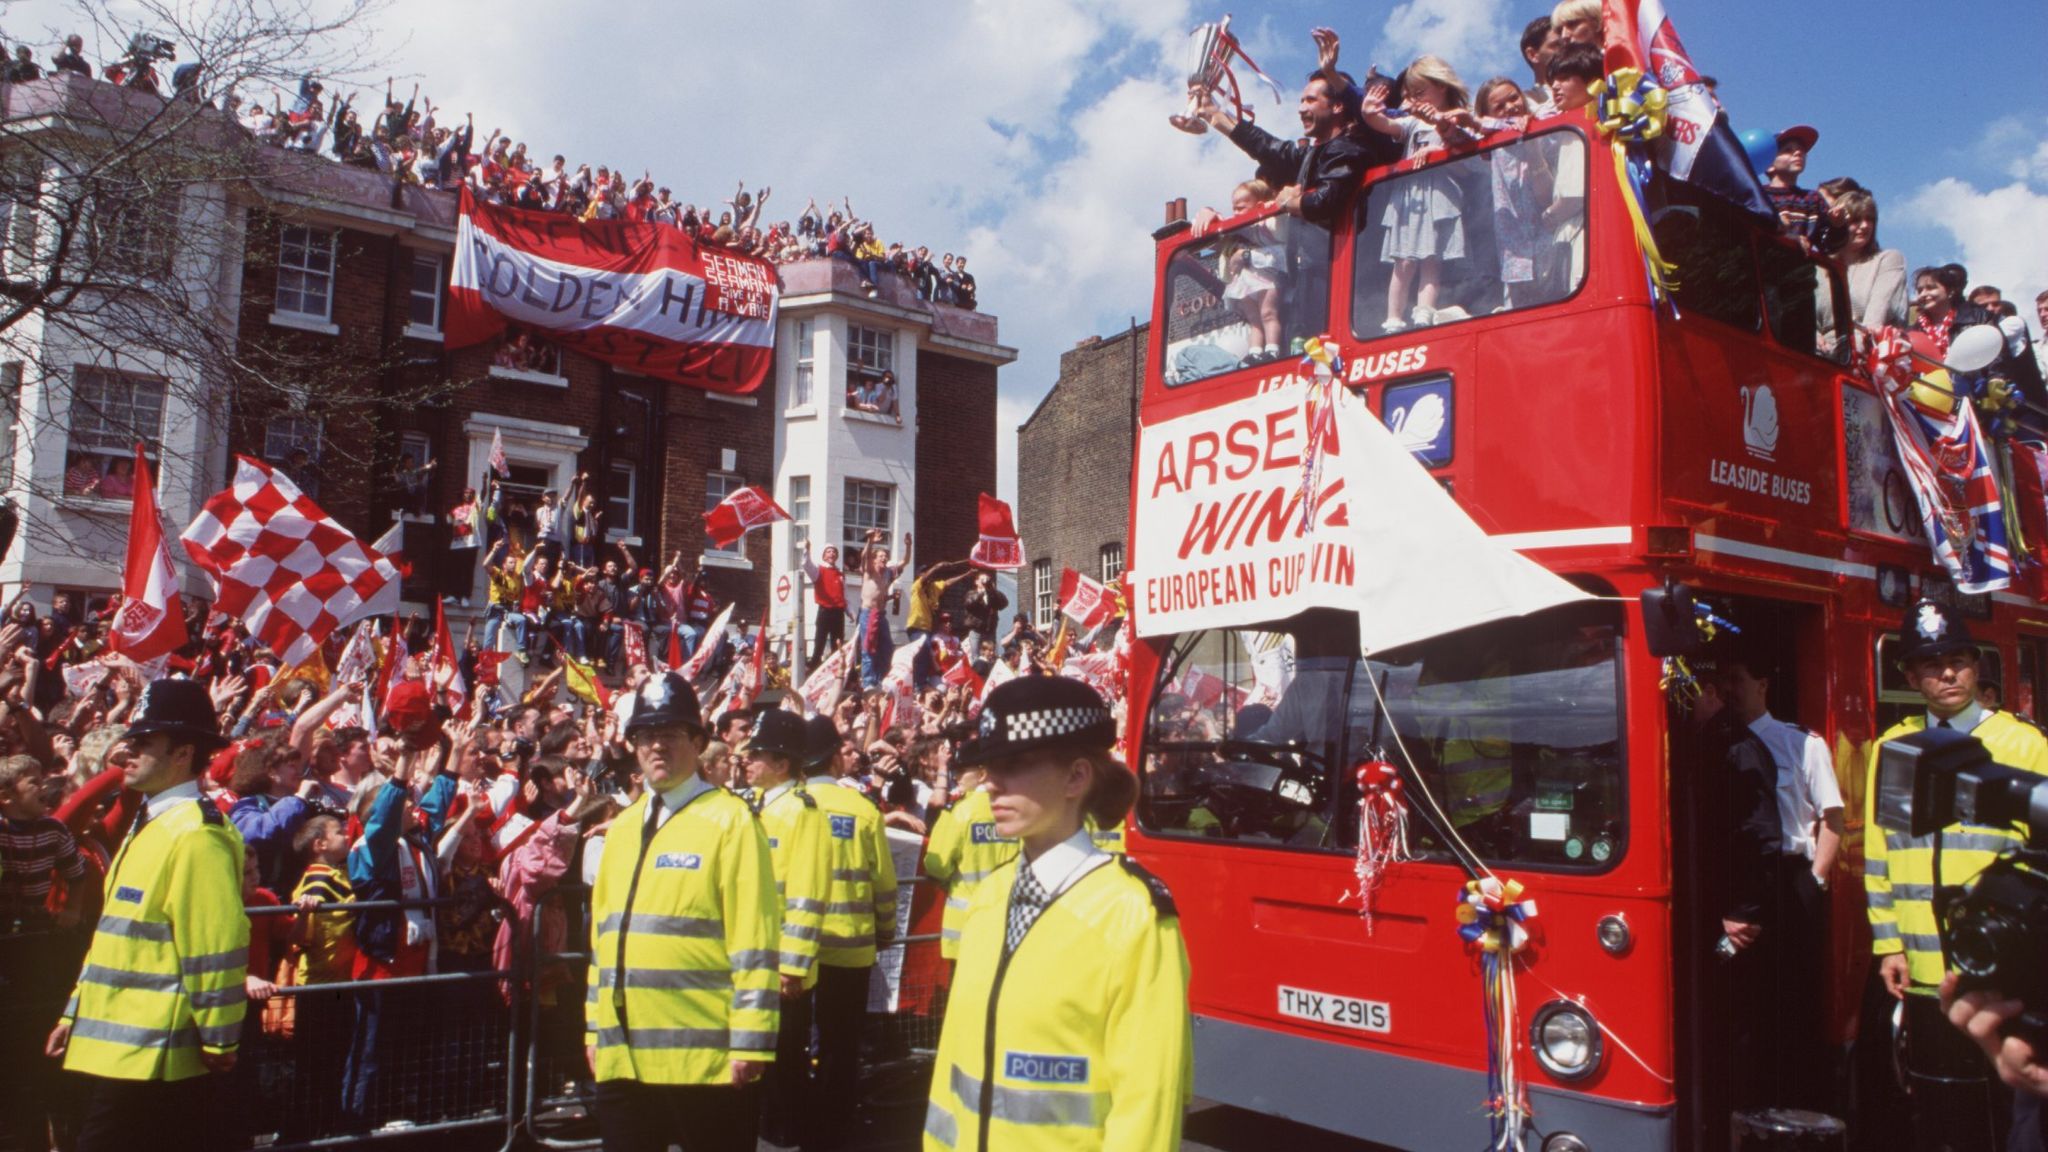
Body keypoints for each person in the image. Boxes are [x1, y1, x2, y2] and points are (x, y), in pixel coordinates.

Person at [924, 676, 1191, 1151]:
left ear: (1076, 777)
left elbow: (1148, 1105)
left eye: (1015, 764)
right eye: (988, 766)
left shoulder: (1133, 915)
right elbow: (952, 1071)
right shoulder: (989, 898)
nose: (990, 783)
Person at [1866, 599, 2048, 1150]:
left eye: (1959, 660)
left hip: (2000, 974)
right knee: (1940, 1111)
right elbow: (1880, 852)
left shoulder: (2026, 744)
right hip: (1924, 974)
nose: (1946, 673)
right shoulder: (1891, 748)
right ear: (1909, 676)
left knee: (2005, 1110)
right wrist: (1887, 942)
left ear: (1977, 666)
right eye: (1931, 663)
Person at [46, 679, 248, 1152]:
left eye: (143, 742)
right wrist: (75, 1011)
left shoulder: (197, 835)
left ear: (184, 753)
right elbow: (115, 940)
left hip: (159, 1058)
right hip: (121, 1052)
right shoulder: (155, 824)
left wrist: (220, 1040)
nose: (125, 751)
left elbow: (214, 946)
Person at [585, 671, 779, 1152]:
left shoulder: (731, 821)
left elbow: (753, 939)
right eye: (646, 736)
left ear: (697, 742)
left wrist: (751, 1037)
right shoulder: (623, 828)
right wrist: (593, 1028)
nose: (656, 747)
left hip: (706, 1061)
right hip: (623, 1058)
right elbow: (602, 942)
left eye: (669, 735)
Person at [1717, 652, 1844, 1109]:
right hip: (1742, 881)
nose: (1729, 689)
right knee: (1743, 1002)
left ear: (1763, 684)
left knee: (1791, 997)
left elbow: (1833, 819)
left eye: (1737, 677)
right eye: (1722, 681)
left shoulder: (1801, 743)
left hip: (1790, 881)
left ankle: (1796, 1102)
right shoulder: (1715, 742)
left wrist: (1815, 881)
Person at [1684, 659, 1783, 1121]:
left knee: (1733, 1006)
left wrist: (1744, 910)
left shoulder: (1740, 747)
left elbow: (1760, 834)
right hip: (1706, 902)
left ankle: (1738, 1110)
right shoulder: (1706, 740)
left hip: (1732, 910)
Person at [799, 717, 898, 1148]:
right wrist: (887, 930)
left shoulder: (787, 805)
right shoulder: (862, 809)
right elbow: (884, 884)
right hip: (853, 950)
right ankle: (837, 1128)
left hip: (798, 953)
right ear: (836, 756)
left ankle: (799, 1123)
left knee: (797, 1045)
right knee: (841, 1048)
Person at [734, 708, 827, 1147]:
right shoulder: (749, 805)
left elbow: (808, 894)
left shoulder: (802, 812)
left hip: (783, 968)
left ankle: (789, 1139)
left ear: (782, 764)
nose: (746, 762)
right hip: (749, 961)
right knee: (755, 1062)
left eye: (757, 755)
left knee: (786, 1062)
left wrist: (793, 965)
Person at [1196, 31, 1393, 229]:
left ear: (1338, 106)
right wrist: (1213, 113)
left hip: (1345, 256)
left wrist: (1289, 202)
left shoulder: (1350, 149)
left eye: (1311, 100)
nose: (1301, 109)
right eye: (1301, 101)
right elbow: (1268, 148)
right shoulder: (1312, 155)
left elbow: (1326, 201)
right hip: (1314, 259)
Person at [1362, 57, 1475, 334]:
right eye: (1410, 95)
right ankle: (1394, 318)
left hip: (1438, 196)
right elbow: (1386, 125)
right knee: (1403, 260)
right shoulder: (1413, 123)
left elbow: (1467, 160)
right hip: (1409, 198)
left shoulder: (1461, 119)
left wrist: (1438, 153)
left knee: (1431, 260)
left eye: (1420, 92)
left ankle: (1425, 311)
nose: (1414, 100)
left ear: (1442, 87)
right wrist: (1368, 113)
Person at [922, 760, 1017, 962]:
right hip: (1008, 920)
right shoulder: (1014, 807)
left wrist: (947, 881)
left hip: (965, 924)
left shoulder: (960, 811)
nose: (956, 777)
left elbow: (936, 866)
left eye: (962, 771)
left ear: (982, 774)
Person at [1763, 126, 1834, 252]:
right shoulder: (1759, 196)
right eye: (1788, 150)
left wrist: (1837, 226)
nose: (1798, 153)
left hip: (1800, 269)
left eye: (1801, 150)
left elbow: (1829, 245)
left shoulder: (1813, 199)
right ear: (1769, 165)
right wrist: (1790, 238)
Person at [802, 540, 847, 667]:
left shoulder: (840, 574)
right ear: (824, 556)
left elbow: (845, 596)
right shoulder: (818, 570)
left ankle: (836, 670)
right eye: (829, 551)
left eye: (834, 552)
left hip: (838, 613)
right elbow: (806, 564)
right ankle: (813, 668)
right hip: (825, 611)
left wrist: (851, 613)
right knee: (819, 643)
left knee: (837, 644)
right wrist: (807, 550)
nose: (832, 554)